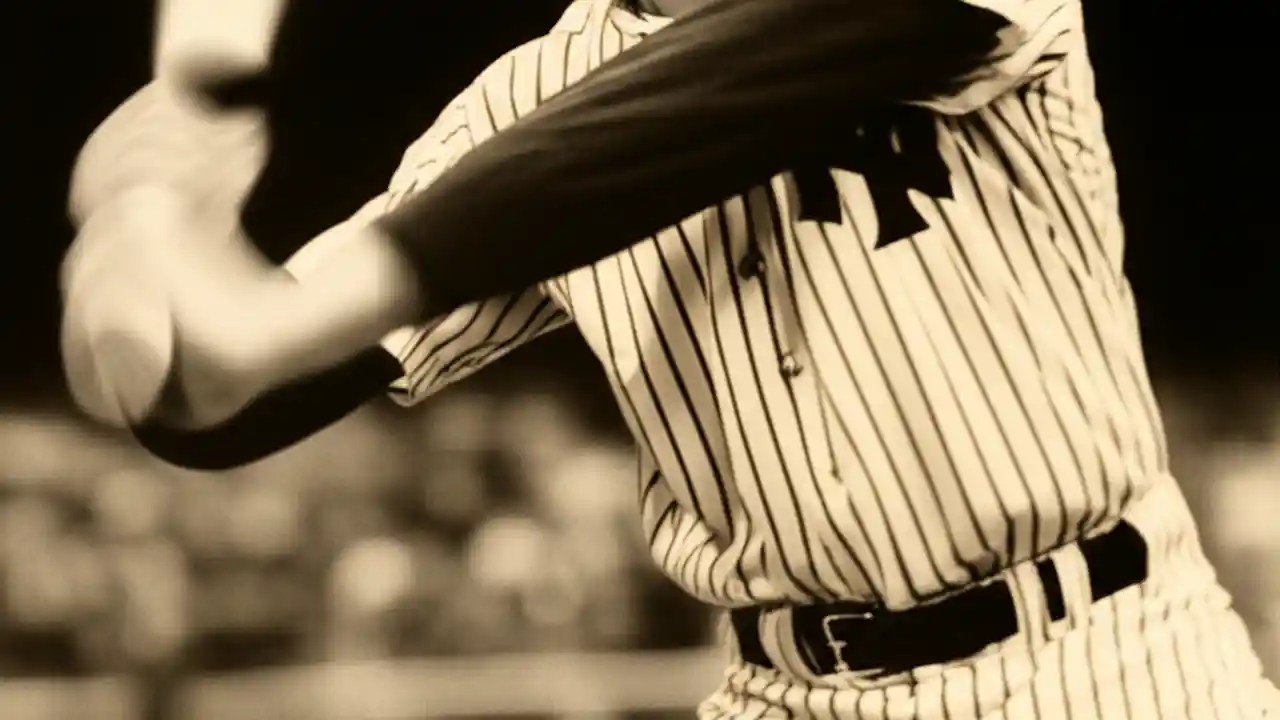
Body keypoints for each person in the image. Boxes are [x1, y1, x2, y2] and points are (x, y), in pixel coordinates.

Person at [61, 0, 1280, 717]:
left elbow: (662, 126)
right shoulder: (525, 103)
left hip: (1104, 659)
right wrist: (155, 260)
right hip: (781, 692)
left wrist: (261, 320)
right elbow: (228, 396)